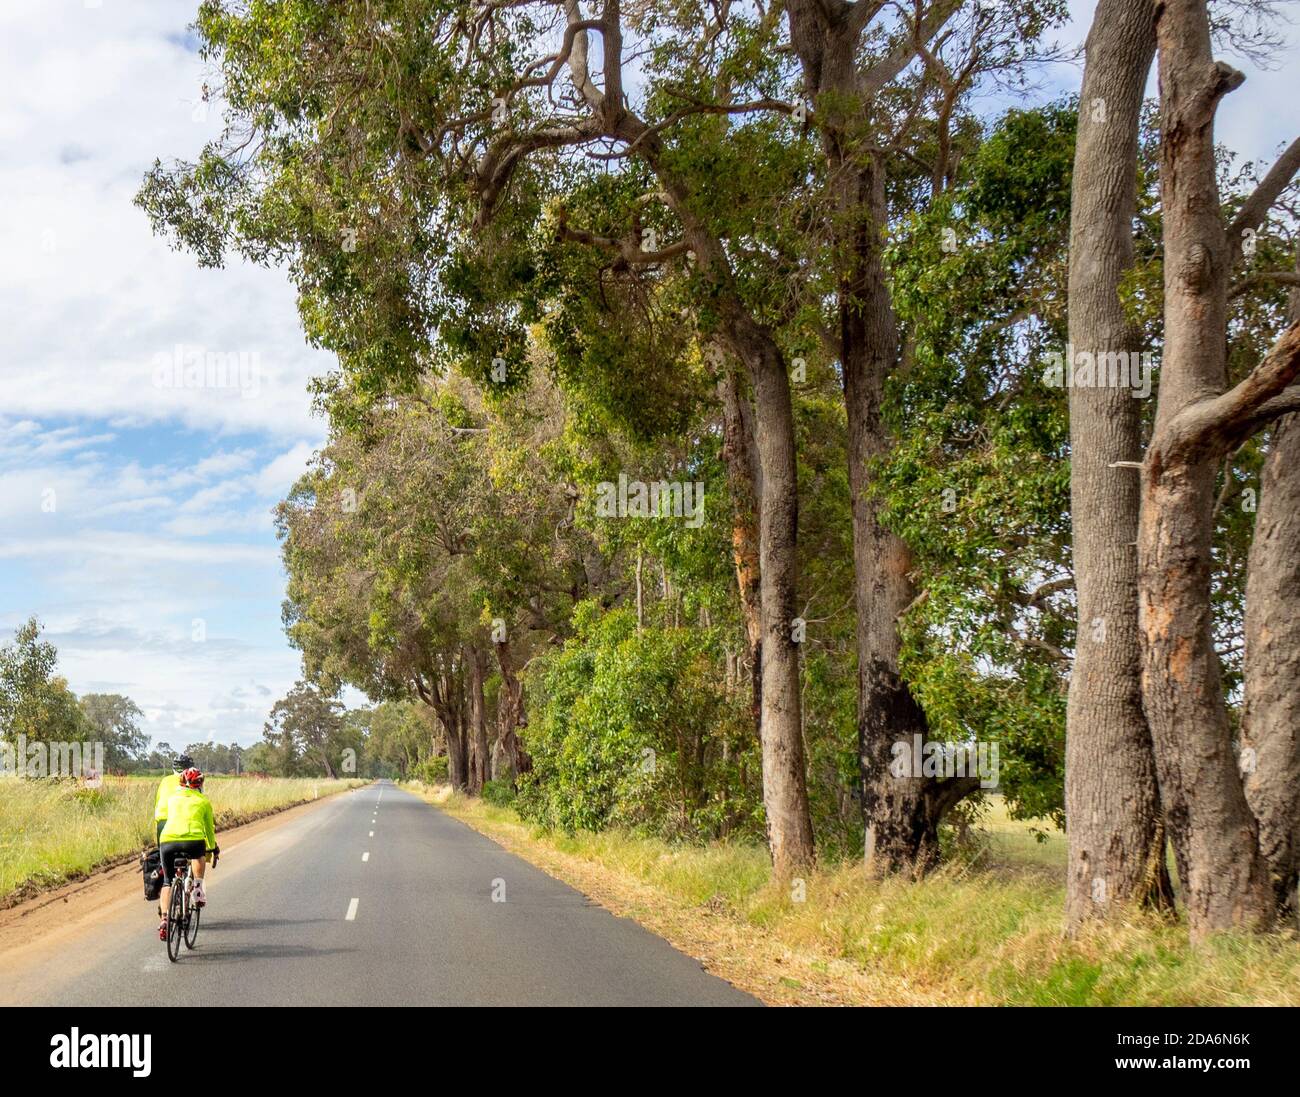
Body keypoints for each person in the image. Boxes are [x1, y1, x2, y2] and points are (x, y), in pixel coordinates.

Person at [157, 767, 218, 941]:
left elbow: (166, 819)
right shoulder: (203, 801)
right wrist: (212, 847)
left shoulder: (172, 799)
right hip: (193, 841)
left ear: (182, 782)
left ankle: (164, 919)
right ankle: (198, 889)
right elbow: (209, 829)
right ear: (199, 784)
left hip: (168, 841)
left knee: (167, 881)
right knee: (198, 857)